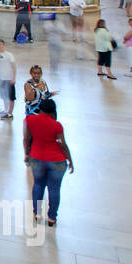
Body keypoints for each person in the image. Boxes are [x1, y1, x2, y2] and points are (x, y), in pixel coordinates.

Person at [24, 98, 74, 228]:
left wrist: (26, 154)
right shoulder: (56, 125)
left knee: (38, 184)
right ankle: (52, 218)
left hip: (36, 158)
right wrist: (70, 160)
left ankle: (37, 214)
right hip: (56, 161)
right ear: (53, 112)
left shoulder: (29, 120)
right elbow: (63, 145)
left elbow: (26, 138)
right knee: (54, 188)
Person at [0, 41, 17, 119]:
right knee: (3, 96)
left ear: (4, 45)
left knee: (11, 96)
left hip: (9, 79)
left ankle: (10, 113)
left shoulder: (9, 55)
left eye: (0, 44)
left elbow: (14, 67)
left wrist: (14, 78)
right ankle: (6, 110)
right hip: (1, 78)